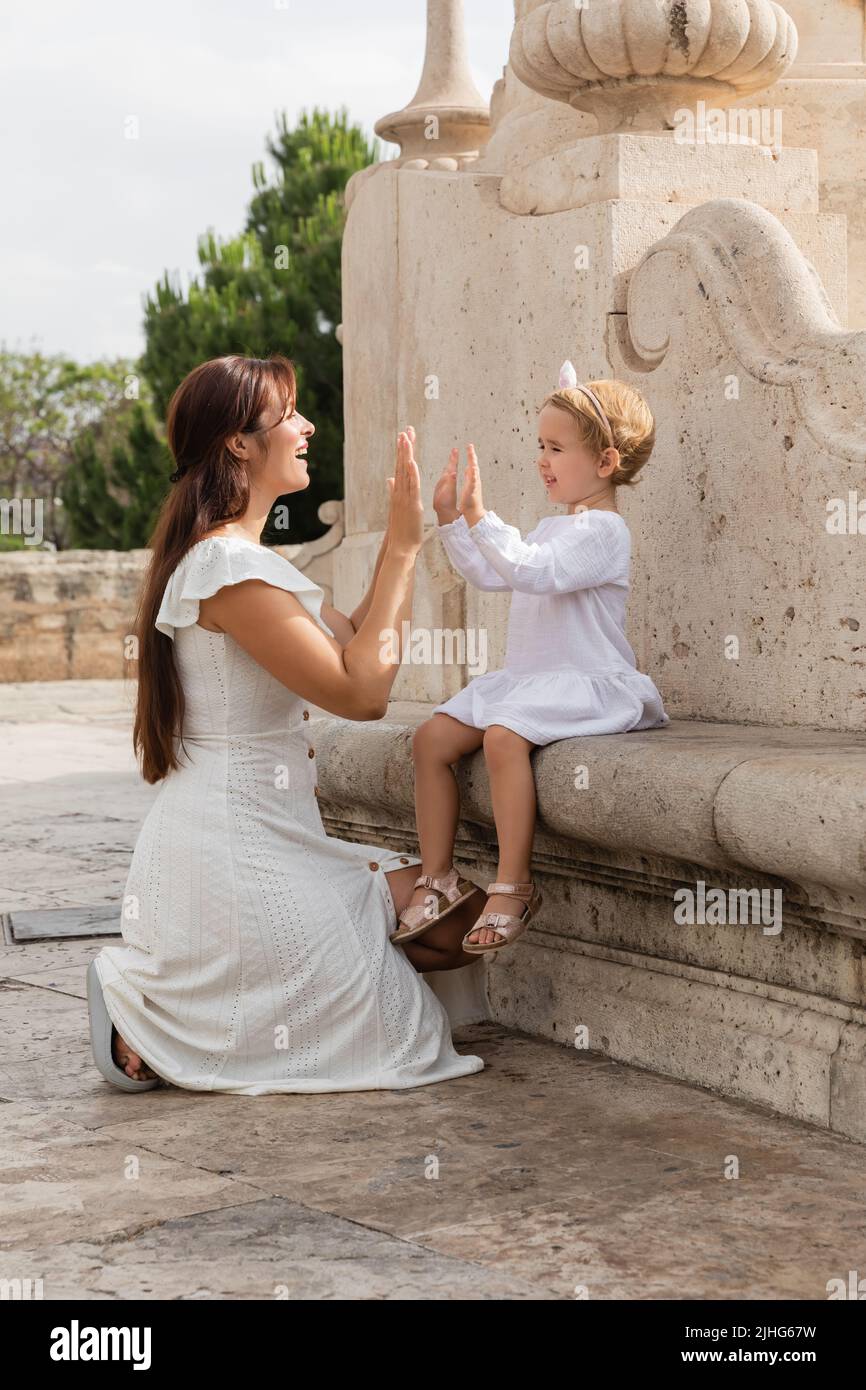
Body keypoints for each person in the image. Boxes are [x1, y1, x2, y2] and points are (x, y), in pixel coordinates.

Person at [88, 353, 487, 1094]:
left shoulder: (251, 563)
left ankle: (184, 1005)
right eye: (290, 415)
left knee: (454, 921)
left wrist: (423, 534)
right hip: (230, 856)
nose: (307, 427)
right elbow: (361, 691)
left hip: (272, 838)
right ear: (240, 443)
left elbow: (355, 634)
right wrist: (397, 549)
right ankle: (150, 1007)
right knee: (406, 1035)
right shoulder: (225, 571)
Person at [392, 362, 668, 955]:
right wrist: (452, 521)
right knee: (430, 741)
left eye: (556, 448)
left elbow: (530, 571)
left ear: (605, 463)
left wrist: (480, 517)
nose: (542, 460)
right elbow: (498, 575)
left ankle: (513, 884)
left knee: (501, 739)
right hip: (529, 681)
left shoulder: (604, 532)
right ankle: (436, 877)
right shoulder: (551, 525)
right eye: (540, 445)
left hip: (581, 680)